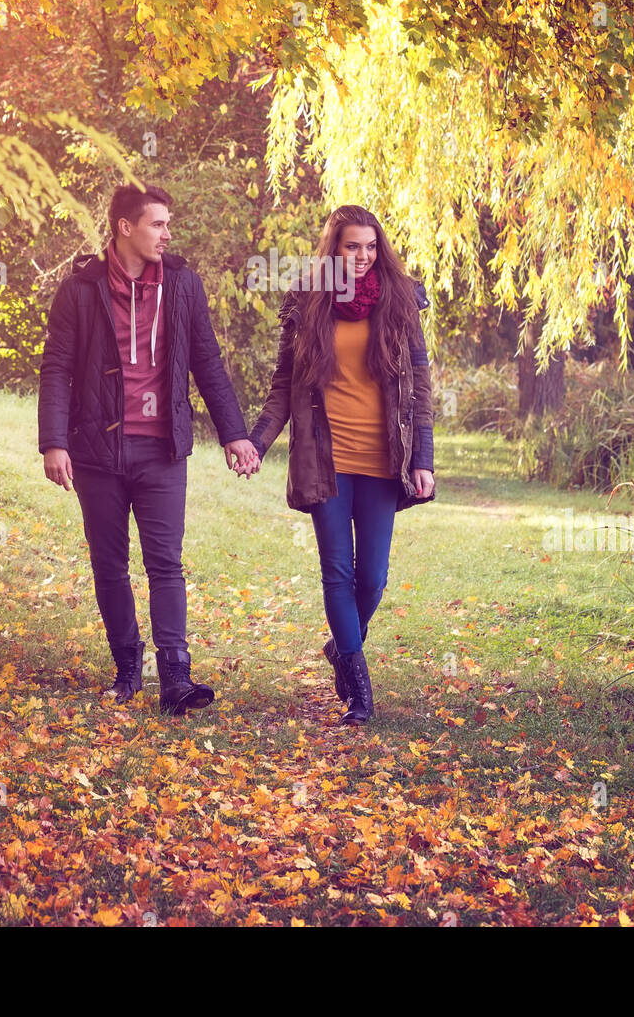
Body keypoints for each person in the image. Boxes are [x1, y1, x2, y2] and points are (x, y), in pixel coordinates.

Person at [37, 183, 260, 714]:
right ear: (125, 228)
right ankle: (126, 668)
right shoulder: (80, 290)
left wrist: (234, 434)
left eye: (167, 224)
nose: (166, 233)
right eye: (157, 224)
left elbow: (207, 362)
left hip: (163, 451)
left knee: (166, 564)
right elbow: (56, 369)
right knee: (109, 565)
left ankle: (176, 679)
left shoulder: (183, 286)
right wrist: (53, 442)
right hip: (96, 452)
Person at [248, 205, 435, 724]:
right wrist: (257, 444)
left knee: (372, 577)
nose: (363, 256)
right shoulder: (306, 303)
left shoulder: (400, 300)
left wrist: (423, 459)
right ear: (334, 249)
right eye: (353, 246)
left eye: (371, 246)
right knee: (338, 570)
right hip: (325, 459)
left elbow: (419, 386)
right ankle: (358, 689)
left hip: (384, 458)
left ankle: (341, 645)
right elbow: (283, 388)